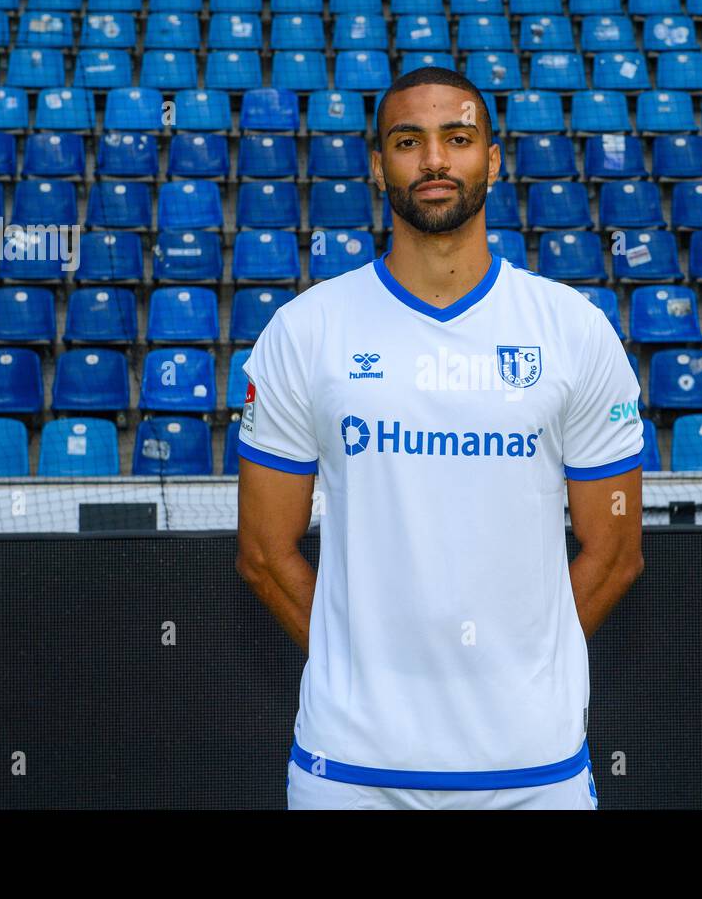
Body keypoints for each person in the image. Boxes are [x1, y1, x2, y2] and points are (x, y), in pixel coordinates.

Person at [235, 67, 645, 809]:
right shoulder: (307, 331)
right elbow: (264, 555)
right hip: (350, 770)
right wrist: (363, 663)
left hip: (534, 772)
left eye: (457, 139)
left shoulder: (573, 331)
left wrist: (514, 663)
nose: (433, 160)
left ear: (491, 160)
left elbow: (615, 552)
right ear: (377, 164)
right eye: (407, 141)